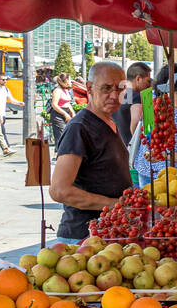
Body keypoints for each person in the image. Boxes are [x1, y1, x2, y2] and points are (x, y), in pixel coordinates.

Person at [49, 62, 132, 240]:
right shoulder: (79, 128)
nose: (114, 95)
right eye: (107, 88)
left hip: (108, 234)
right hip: (82, 238)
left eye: (120, 89)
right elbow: (59, 191)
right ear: (89, 88)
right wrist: (114, 204)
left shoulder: (109, 122)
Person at [114, 62, 151, 146]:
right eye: (148, 81)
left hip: (117, 146)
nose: (149, 85)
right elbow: (136, 120)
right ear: (138, 79)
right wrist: (139, 145)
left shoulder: (118, 94)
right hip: (130, 148)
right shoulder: (137, 97)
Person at [49, 73, 75, 150]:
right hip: (58, 114)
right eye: (69, 79)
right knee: (61, 135)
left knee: (67, 134)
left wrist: (72, 113)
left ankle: (62, 153)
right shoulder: (57, 90)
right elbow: (54, 104)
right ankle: (60, 154)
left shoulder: (66, 90)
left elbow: (68, 103)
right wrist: (65, 114)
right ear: (66, 80)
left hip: (66, 112)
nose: (71, 81)